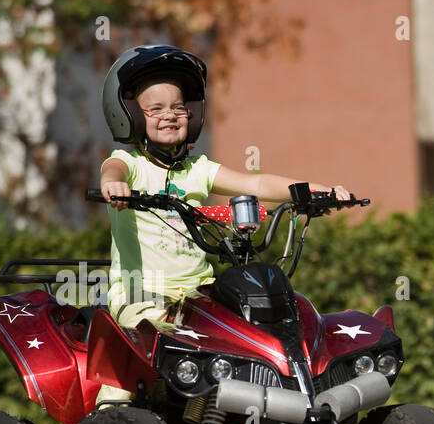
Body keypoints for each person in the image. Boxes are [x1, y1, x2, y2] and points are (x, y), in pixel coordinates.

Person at [94, 44, 351, 403]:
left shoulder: (198, 169)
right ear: (131, 117)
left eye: (178, 107)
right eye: (155, 109)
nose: (169, 115)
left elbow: (256, 184)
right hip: (141, 296)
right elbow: (113, 169)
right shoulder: (129, 164)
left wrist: (312, 190)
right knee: (128, 373)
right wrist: (114, 186)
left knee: (254, 338)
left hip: (199, 292)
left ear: (193, 114)